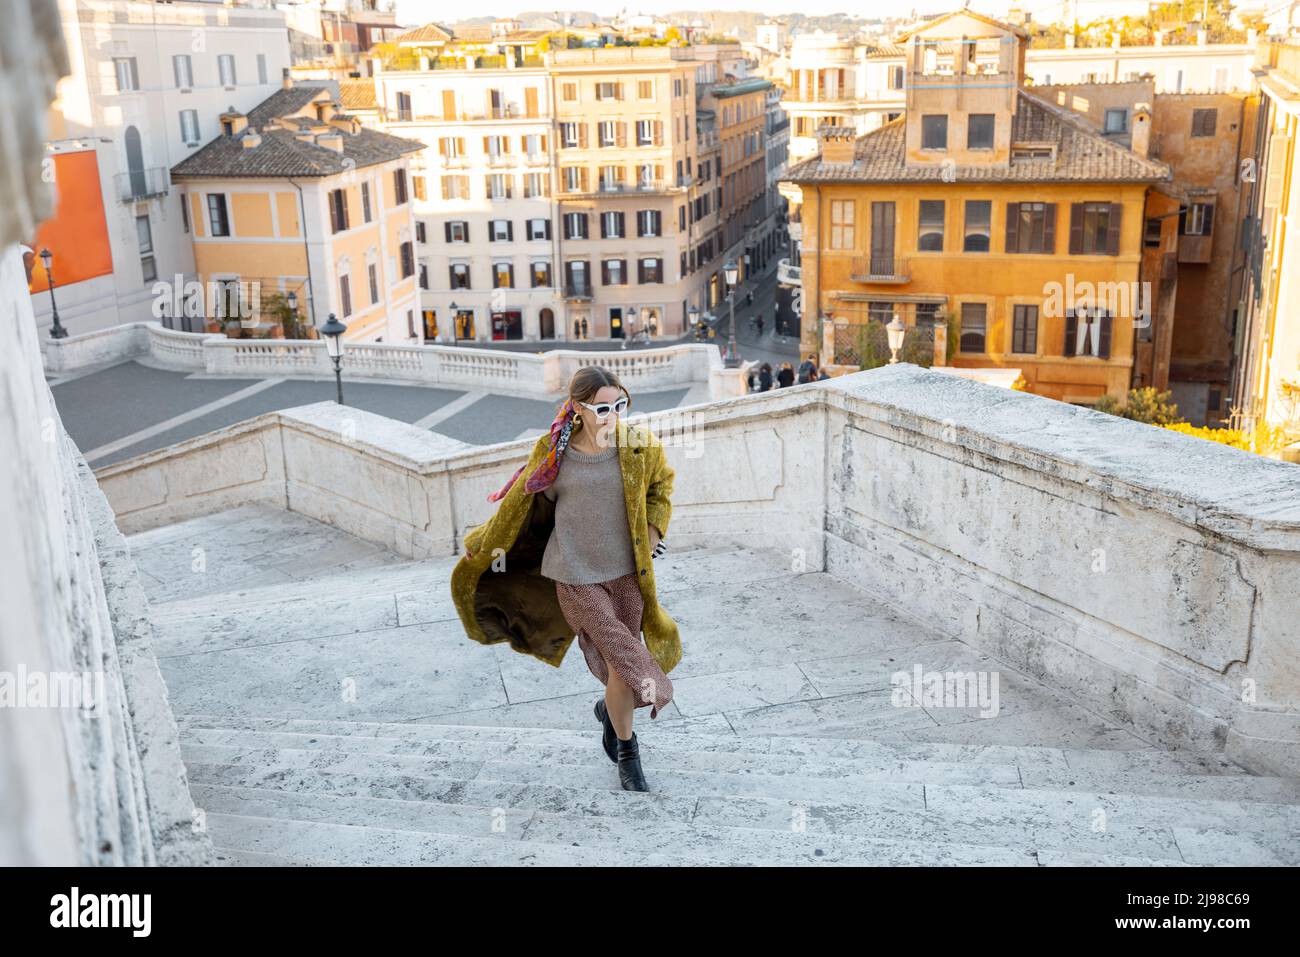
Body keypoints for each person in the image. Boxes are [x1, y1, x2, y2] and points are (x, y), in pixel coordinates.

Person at [451, 367, 678, 793]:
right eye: (603, 407)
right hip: (574, 576)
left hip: (627, 576)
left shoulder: (639, 448)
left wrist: (653, 530)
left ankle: (609, 714)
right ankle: (629, 753)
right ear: (578, 408)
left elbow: (660, 488)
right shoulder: (554, 453)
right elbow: (517, 505)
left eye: (620, 405)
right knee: (626, 661)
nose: (613, 415)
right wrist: (484, 544)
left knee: (619, 668)